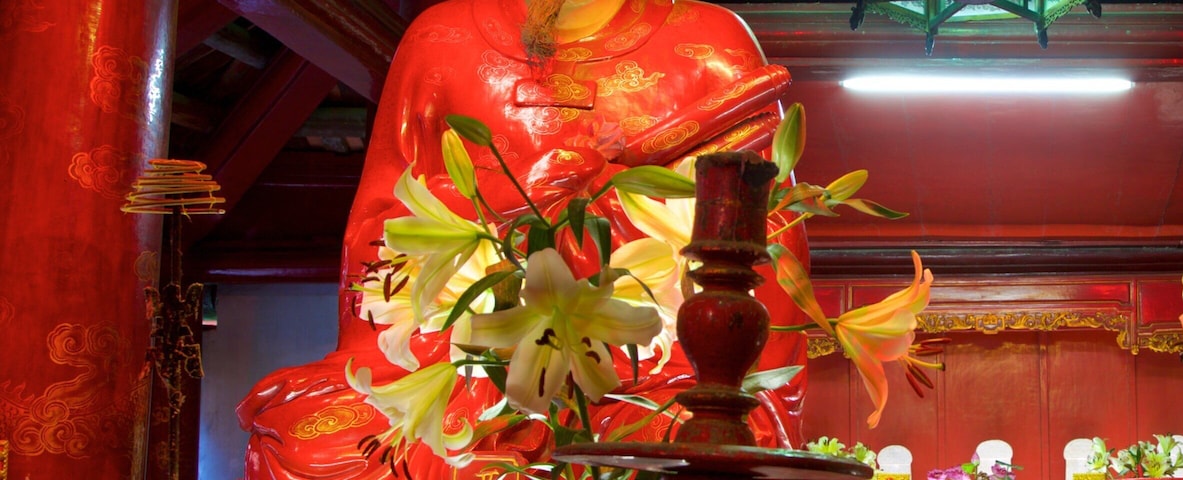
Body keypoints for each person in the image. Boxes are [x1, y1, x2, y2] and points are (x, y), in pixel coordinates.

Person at [236, 0, 809, 477]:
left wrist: (601, 212)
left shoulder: (710, 40)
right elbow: (381, 231)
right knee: (306, 443)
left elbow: (766, 255)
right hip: (462, 361)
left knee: (674, 458)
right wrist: (512, 203)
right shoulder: (440, 37)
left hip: (653, 372)